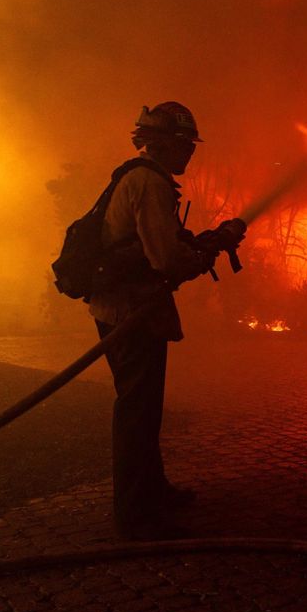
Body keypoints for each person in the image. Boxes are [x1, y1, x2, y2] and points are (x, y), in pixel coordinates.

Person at [88, 101, 231, 540]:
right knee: (136, 411)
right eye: (184, 143)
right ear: (160, 143)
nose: (189, 152)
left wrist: (199, 243)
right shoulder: (148, 184)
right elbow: (166, 259)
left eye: (191, 144)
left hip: (126, 307)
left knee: (145, 408)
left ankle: (153, 491)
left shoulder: (137, 177)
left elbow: (156, 243)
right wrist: (206, 252)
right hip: (132, 313)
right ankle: (136, 516)